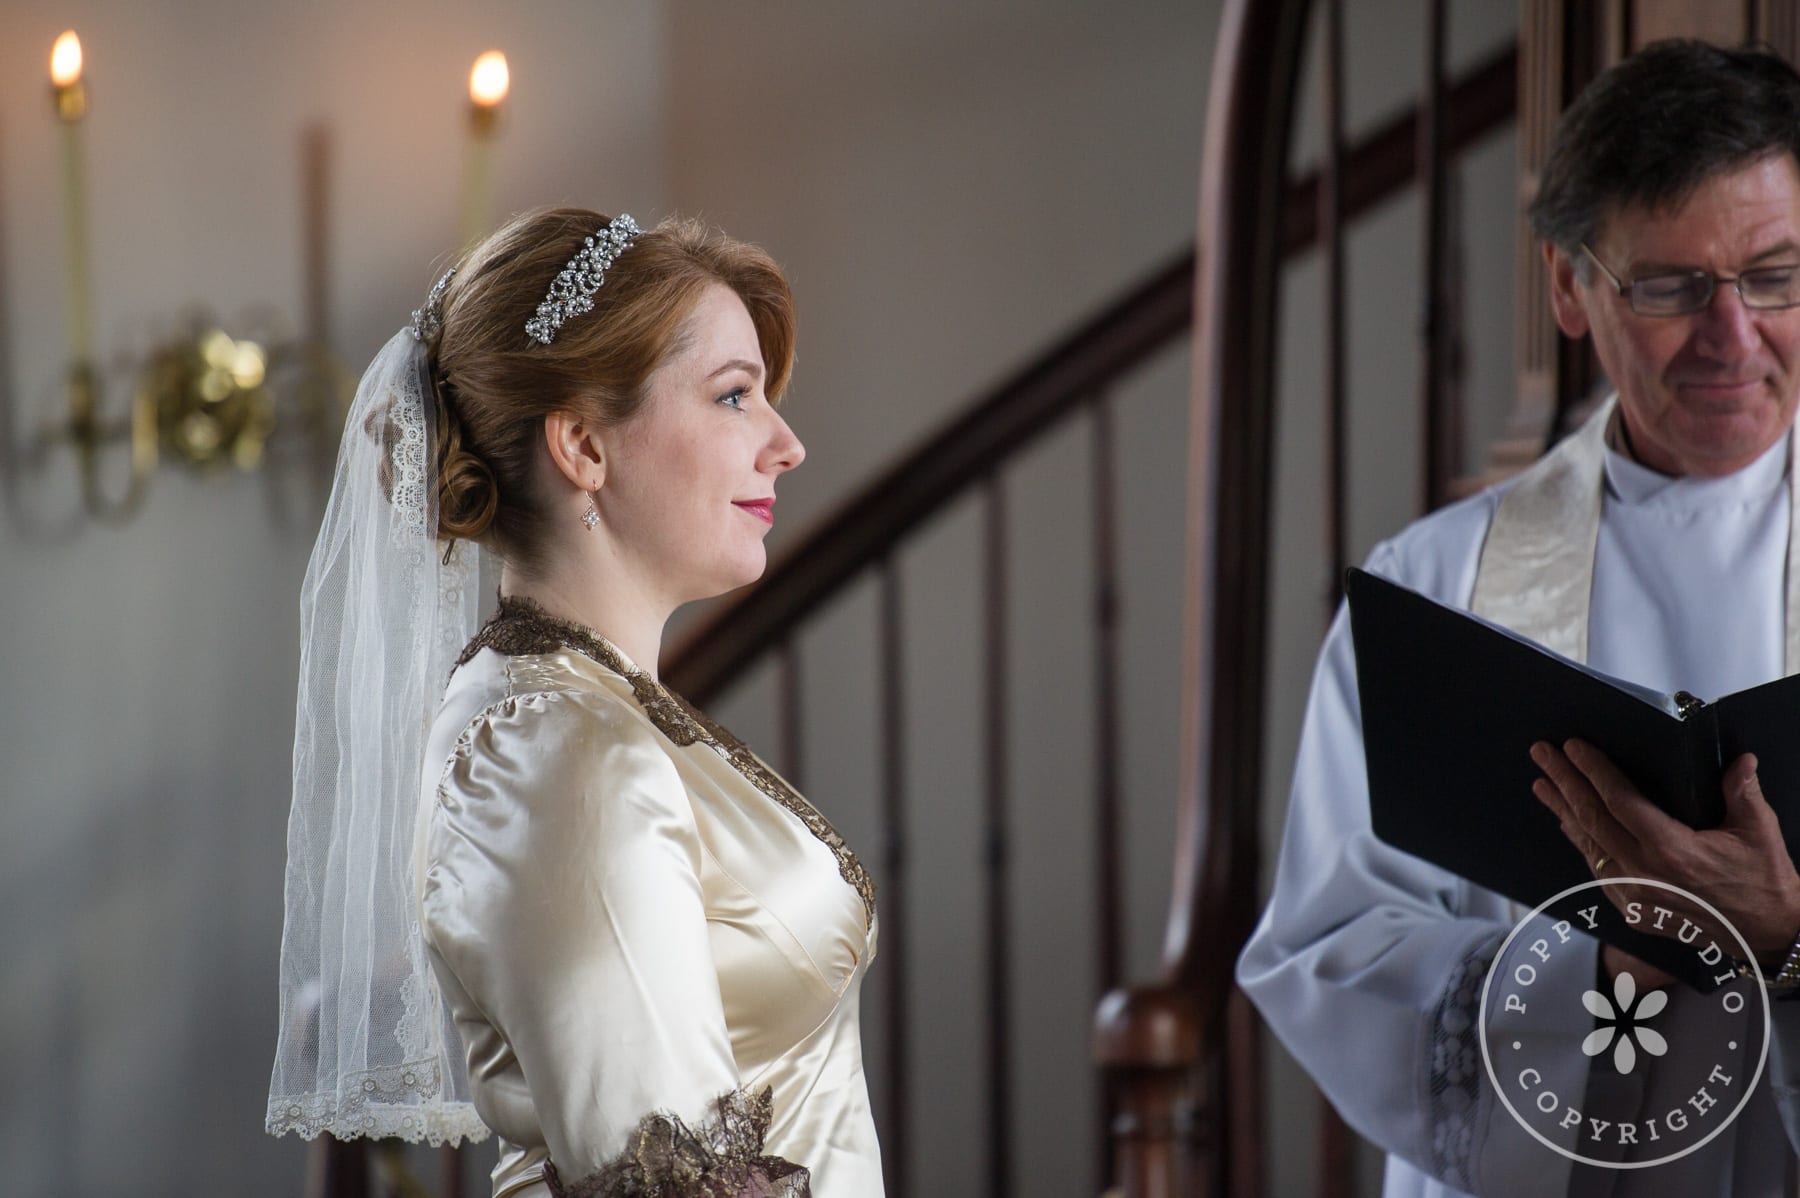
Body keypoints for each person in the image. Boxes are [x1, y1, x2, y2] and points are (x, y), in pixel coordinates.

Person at [1238, 40, 1800, 1197]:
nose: (1732, 337)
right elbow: (1328, 951)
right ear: (1568, 285)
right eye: (1668, 286)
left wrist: (1786, 943)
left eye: (1775, 274)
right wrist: (1608, 963)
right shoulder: (1437, 590)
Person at [266, 208, 884, 1198]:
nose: (785, 444)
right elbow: (664, 1183)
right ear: (584, 445)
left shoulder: (590, 714)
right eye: (734, 397)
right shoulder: (558, 751)